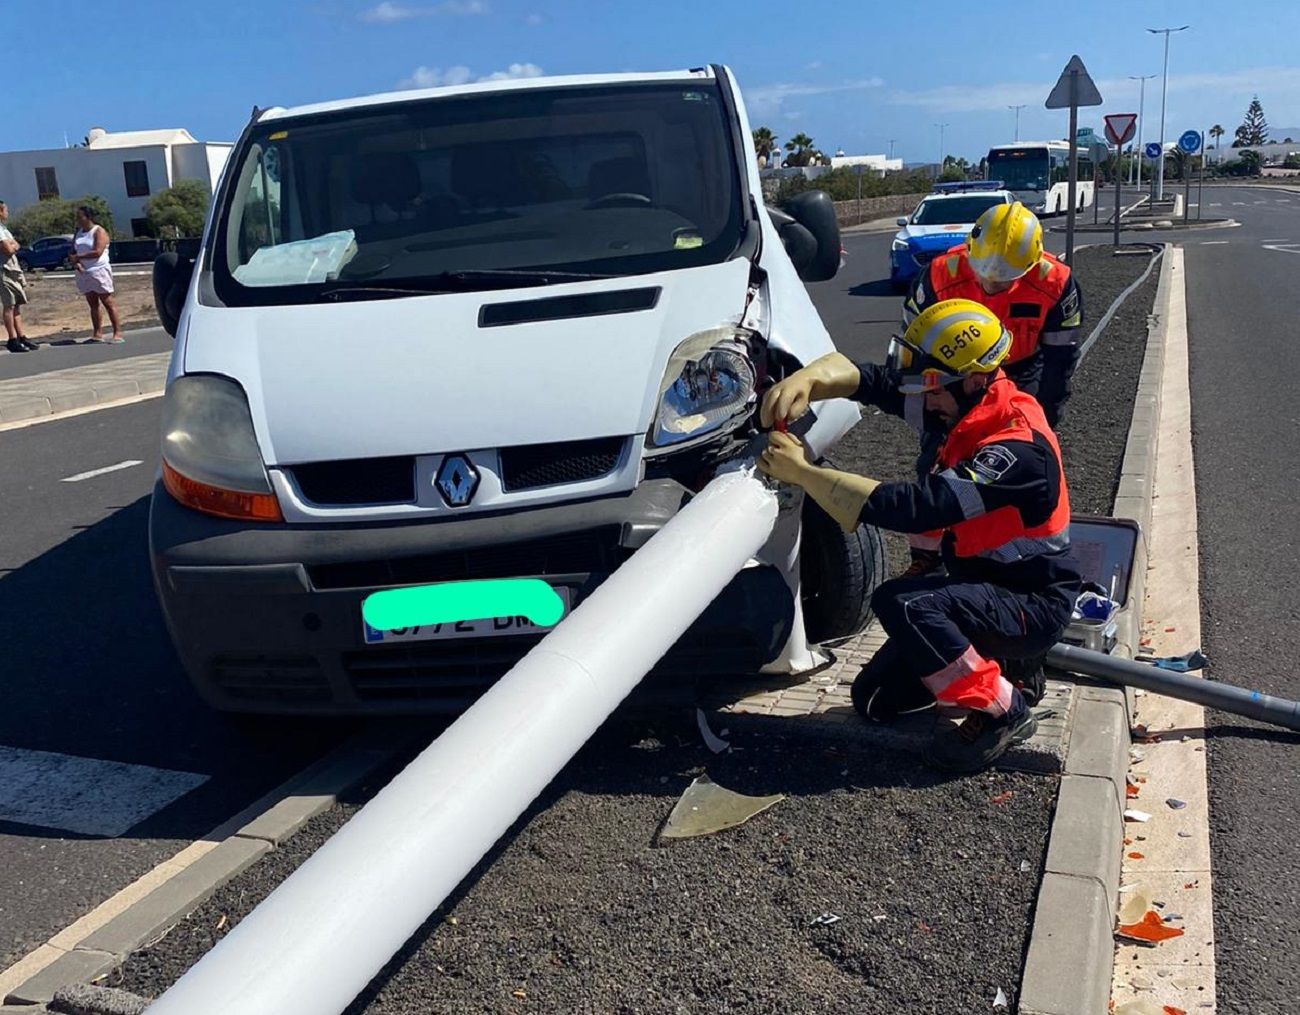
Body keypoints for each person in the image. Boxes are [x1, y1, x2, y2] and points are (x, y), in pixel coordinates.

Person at [757, 299, 1082, 772]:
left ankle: (1002, 708)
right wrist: (813, 377)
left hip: (1032, 604)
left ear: (973, 379)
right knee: (876, 702)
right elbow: (884, 385)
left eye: (934, 388)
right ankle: (1010, 666)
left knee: (905, 603)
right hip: (990, 591)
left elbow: (919, 508)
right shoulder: (969, 406)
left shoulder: (1016, 448)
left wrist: (806, 474)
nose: (926, 399)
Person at [903, 201, 1083, 428]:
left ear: (1032, 262)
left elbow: (1061, 358)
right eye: (982, 273)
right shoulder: (938, 275)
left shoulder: (1055, 282)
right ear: (969, 250)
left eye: (1004, 279)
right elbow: (913, 346)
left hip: (1022, 372)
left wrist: (1046, 414)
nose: (990, 284)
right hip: (953, 378)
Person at [69, 206, 123, 344]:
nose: (78, 220)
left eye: (80, 217)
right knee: (92, 303)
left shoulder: (99, 231)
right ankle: (97, 333)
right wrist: (76, 263)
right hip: (84, 272)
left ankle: (117, 332)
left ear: (88, 217)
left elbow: (98, 251)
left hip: (99, 270)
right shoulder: (78, 232)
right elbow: (72, 251)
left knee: (107, 301)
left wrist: (80, 256)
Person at [0, 200, 37, 353]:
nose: (7, 212)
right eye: (5, 209)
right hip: (5, 270)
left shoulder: (4, 229)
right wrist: (12, 245)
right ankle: (12, 339)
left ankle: (21, 336)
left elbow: (16, 244)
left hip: (14, 270)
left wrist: (13, 244)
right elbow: (8, 249)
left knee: (17, 304)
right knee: (9, 305)